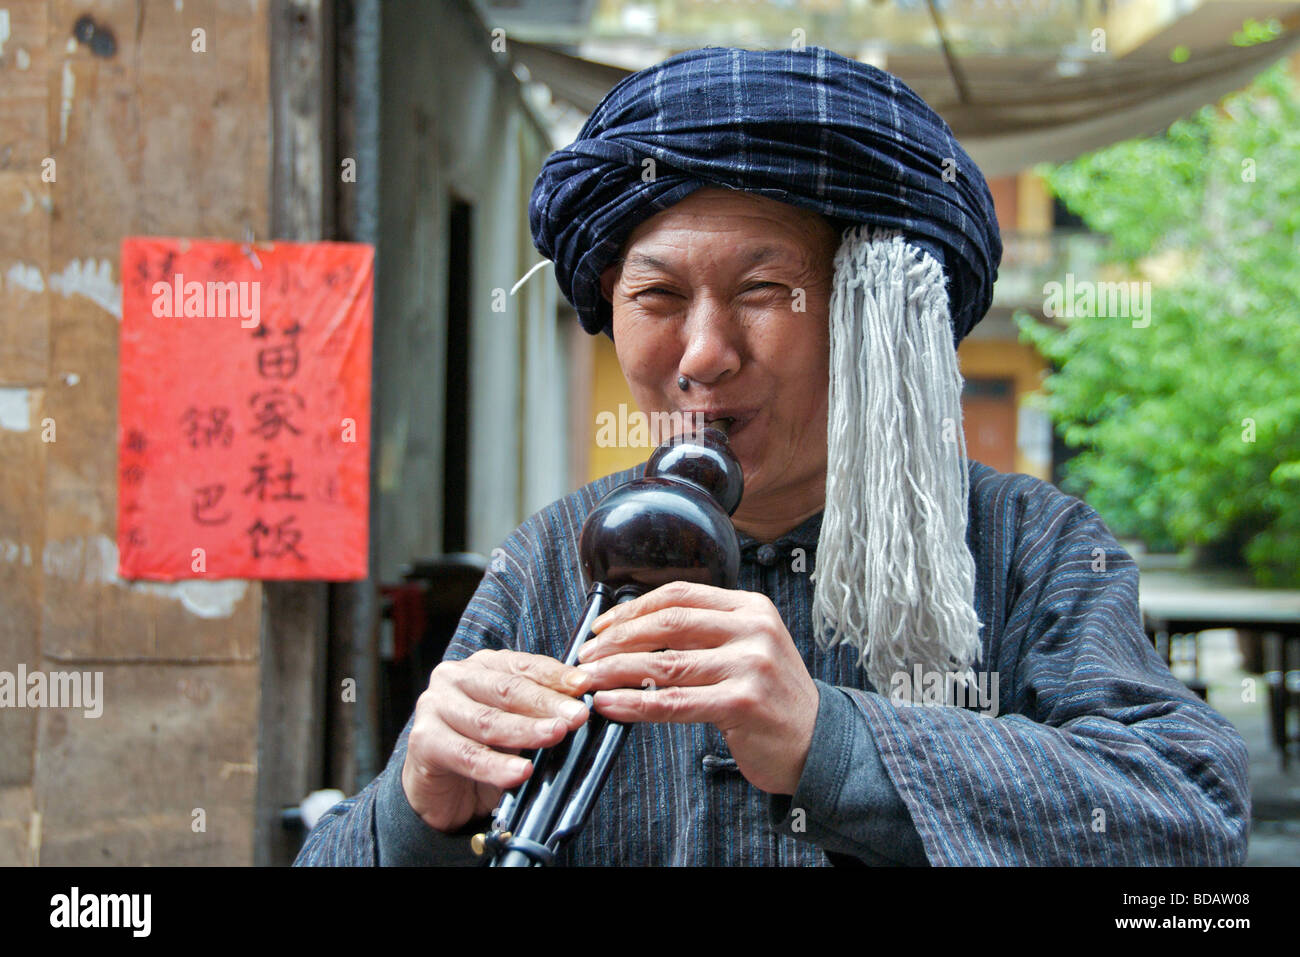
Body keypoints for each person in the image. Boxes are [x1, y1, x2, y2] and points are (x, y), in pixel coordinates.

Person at [296, 46, 1249, 866]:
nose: (703, 355)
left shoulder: (1024, 545)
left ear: (874, 315)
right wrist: (414, 806)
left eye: (763, 288)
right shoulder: (552, 561)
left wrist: (833, 742)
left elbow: (1192, 819)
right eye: (658, 298)